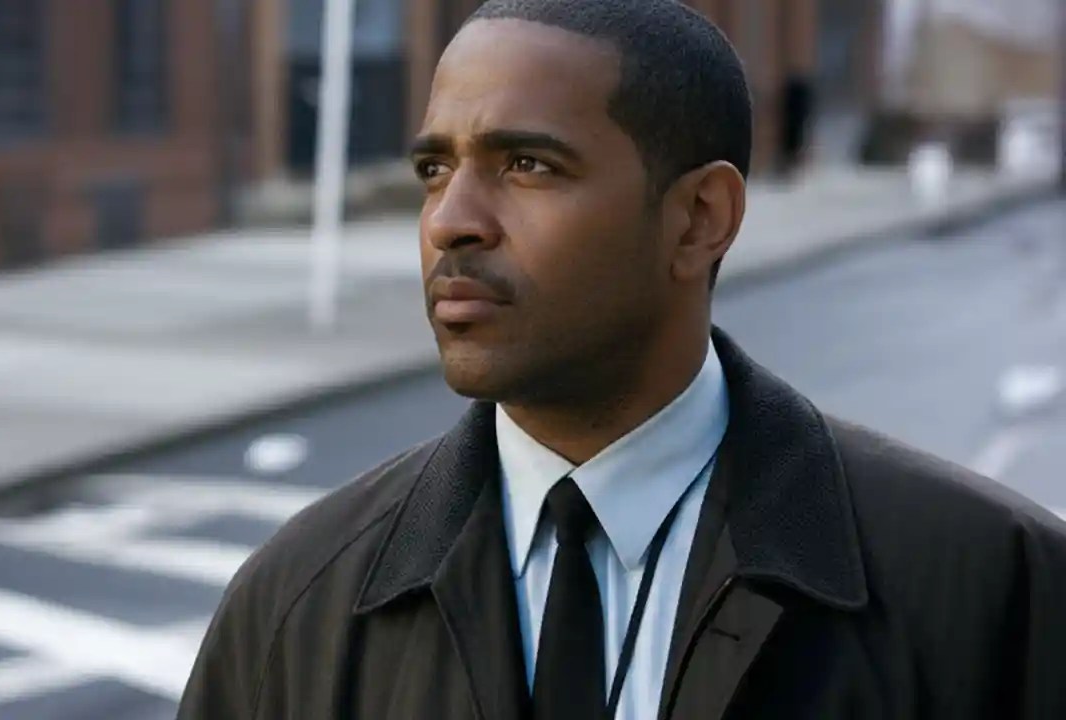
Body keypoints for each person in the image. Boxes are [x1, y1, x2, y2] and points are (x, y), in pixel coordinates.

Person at [178, 1, 1066, 718]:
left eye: (526, 164)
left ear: (699, 220)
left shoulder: (991, 587)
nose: (452, 219)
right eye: (435, 169)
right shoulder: (298, 605)